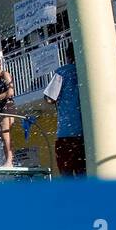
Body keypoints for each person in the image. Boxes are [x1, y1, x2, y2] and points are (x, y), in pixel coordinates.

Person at [44, 48, 86, 176]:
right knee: (84, 177)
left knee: (67, 176)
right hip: (87, 136)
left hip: (66, 134)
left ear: (67, 56)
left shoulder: (62, 72)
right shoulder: (87, 70)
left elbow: (49, 98)